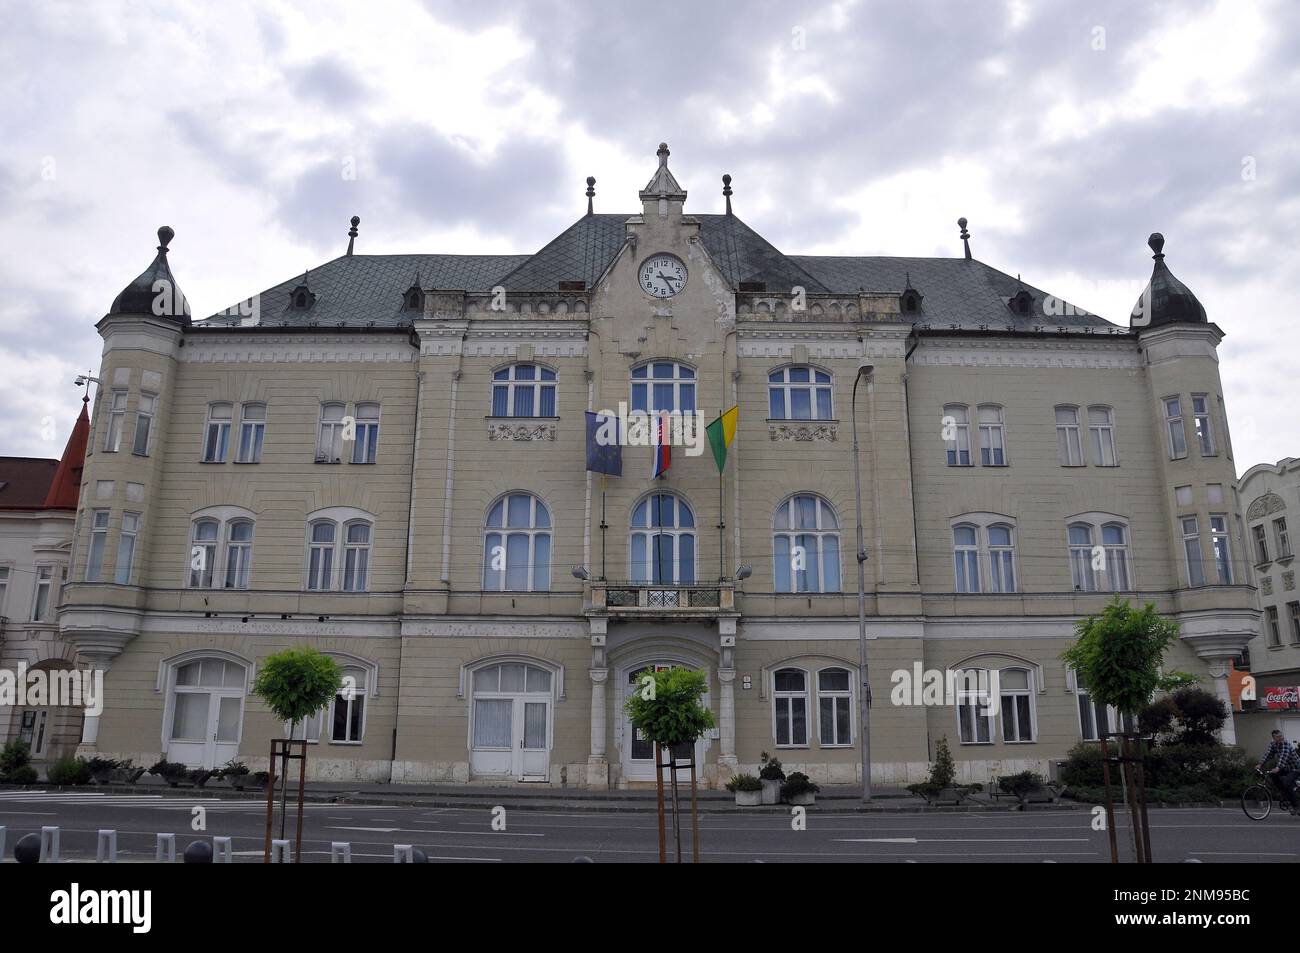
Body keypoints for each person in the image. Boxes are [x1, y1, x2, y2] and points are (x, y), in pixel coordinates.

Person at [1257, 729, 1300, 812]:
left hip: (1295, 768)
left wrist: (1278, 768)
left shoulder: (1286, 744)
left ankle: (1296, 806)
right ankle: (1284, 793)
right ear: (1274, 738)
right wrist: (1260, 764)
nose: (1281, 737)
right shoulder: (1273, 744)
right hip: (1285, 768)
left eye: (1281, 735)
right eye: (1278, 737)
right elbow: (1268, 754)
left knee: (1287, 783)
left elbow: (1283, 757)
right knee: (1272, 774)